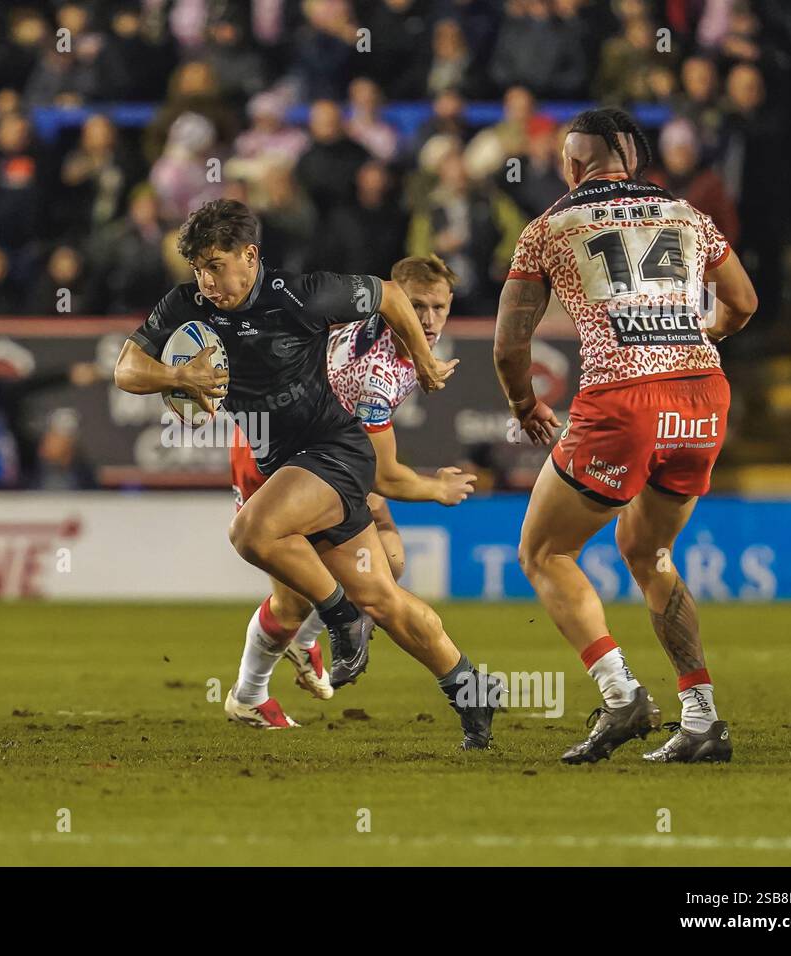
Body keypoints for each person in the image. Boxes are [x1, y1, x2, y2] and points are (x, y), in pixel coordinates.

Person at [115, 199, 503, 748]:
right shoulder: (186, 304)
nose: (207, 280)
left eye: (216, 265)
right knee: (383, 597)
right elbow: (126, 368)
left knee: (252, 533)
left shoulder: (300, 294)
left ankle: (339, 621)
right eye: (200, 268)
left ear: (250, 256)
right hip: (281, 463)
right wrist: (175, 374)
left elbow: (389, 295)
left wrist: (421, 360)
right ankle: (471, 689)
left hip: (333, 451)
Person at [492, 108, 758, 764]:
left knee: (544, 553)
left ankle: (621, 696)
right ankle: (701, 717)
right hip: (701, 395)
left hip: (622, 400)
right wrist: (707, 335)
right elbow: (745, 302)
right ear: (632, 161)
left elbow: (508, 344)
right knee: (650, 553)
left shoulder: (550, 227)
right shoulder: (688, 215)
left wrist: (525, 403)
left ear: (573, 164)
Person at [226, 254, 478, 728]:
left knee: (359, 575)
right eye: (416, 306)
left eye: (439, 308)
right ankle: (272, 673)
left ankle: (262, 681)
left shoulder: (384, 338)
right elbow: (383, 476)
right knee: (346, 582)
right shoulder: (376, 374)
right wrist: (437, 489)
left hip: (313, 450)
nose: (428, 320)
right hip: (276, 458)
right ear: (394, 304)